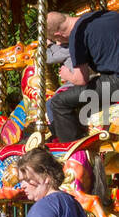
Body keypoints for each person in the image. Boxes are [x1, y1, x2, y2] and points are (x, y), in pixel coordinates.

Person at [44, 9, 119, 143]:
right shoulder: (104, 14)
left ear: (58, 35)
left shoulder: (77, 37)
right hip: (112, 76)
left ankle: (73, 151)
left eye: (57, 40)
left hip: (115, 81)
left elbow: (81, 80)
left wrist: (67, 75)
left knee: (58, 102)